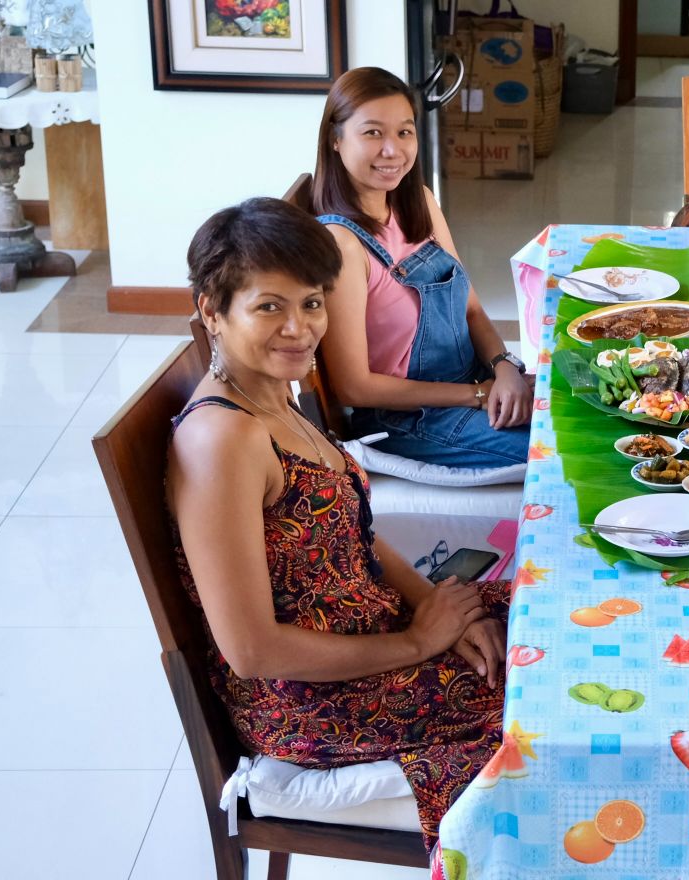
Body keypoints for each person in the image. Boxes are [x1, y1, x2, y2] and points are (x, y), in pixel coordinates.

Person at [168, 198, 509, 847]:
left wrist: (439, 609)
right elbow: (251, 651)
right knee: (552, 705)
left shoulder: (274, 394)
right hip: (312, 701)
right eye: (270, 306)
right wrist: (417, 643)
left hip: (371, 632)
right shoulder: (223, 440)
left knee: (541, 623)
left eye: (313, 302)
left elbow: (353, 527)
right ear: (213, 310)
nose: (299, 328)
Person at [312, 66, 531, 471]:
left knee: (592, 413)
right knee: (562, 453)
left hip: (473, 379)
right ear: (336, 139)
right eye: (373, 132)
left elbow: (471, 309)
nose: (392, 150)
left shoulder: (419, 202)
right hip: (409, 419)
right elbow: (353, 386)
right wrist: (478, 394)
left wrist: (505, 366)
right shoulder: (341, 244)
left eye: (404, 132)